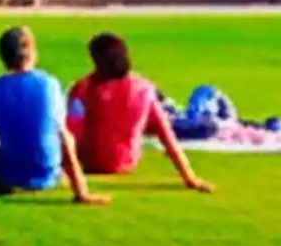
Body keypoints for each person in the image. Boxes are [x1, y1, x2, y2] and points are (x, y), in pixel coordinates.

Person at [0, 26, 108, 205]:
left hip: (7, 176)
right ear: (33, 53)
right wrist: (81, 190)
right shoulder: (50, 85)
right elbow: (64, 137)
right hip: (46, 173)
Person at [66, 33, 212, 192]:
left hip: (88, 162)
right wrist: (189, 177)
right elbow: (167, 136)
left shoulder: (82, 89)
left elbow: (70, 130)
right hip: (125, 163)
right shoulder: (144, 88)